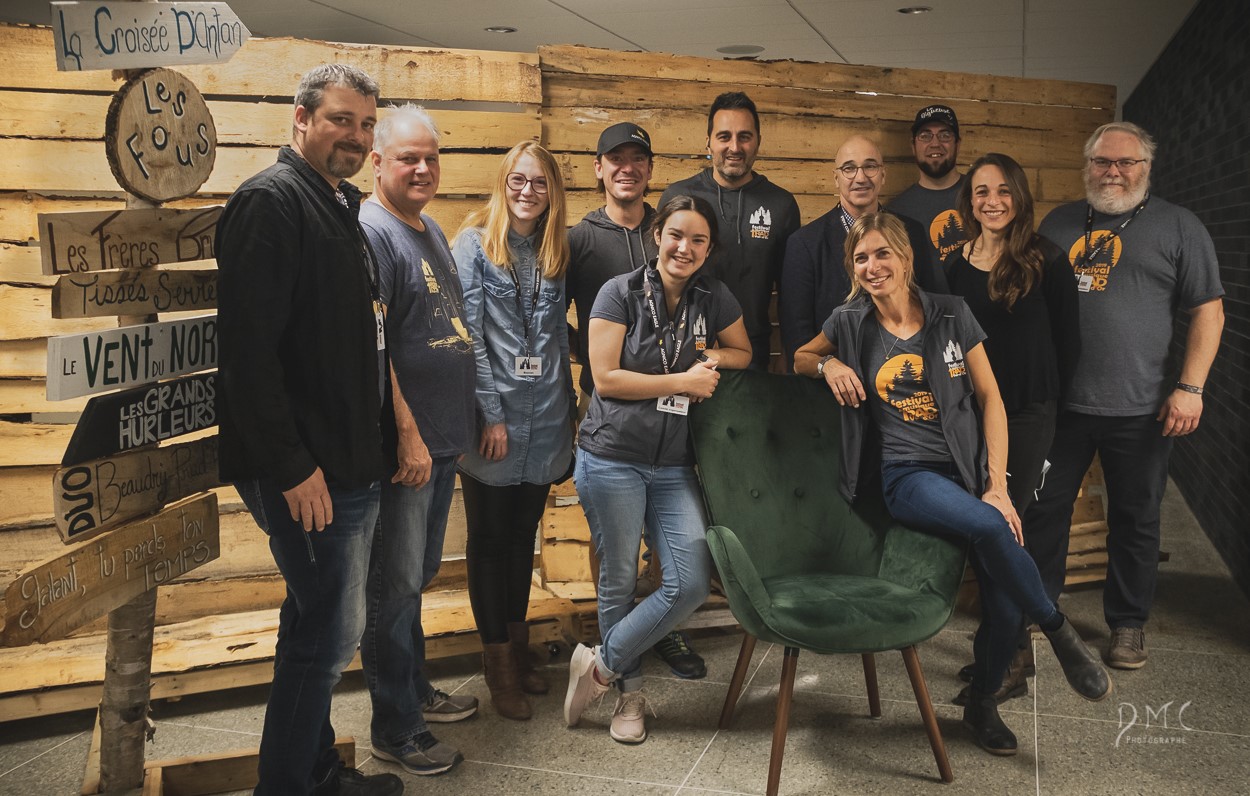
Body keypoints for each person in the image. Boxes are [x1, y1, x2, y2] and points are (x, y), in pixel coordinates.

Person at [793, 212, 1110, 757]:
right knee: (993, 528)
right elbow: (801, 355)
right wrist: (828, 369)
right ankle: (1059, 633)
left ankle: (982, 702)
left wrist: (997, 484)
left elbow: (991, 399)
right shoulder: (849, 321)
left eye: (881, 254)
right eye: (860, 258)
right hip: (906, 476)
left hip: (966, 472)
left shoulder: (951, 314)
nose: (872, 267)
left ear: (905, 257)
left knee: (1003, 580)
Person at [216, 64, 402, 795]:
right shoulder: (271, 203)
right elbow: (247, 355)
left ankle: (314, 770)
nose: (355, 137)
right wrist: (293, 466)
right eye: (340, 120)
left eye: (364, 124)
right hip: (308, 471)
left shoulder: (334, 204)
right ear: (300, 118)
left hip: (346, 461)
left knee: (312, 626)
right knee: (326, 638)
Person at [1025, 122, 1225, 669]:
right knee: (1044, 511)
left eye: (1126, 162)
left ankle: (1128, 624)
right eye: (1102, 162)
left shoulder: (1179, 227)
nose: (1114, 172)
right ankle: (1041, 612)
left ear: (1146, 168)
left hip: (1142, 409)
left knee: (1136, 519)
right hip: (1062, 406)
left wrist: (1190, 388)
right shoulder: (1059, 223)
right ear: (1087, 165)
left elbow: (1209, 311)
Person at [564, 195, 752, 744]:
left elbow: (743, 351)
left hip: (674, 466)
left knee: (691, 582)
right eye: (675, 234)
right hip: (612, 457)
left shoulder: (713, 297)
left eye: (697, 240)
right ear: (656, 236)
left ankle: (599, 666)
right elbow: (606, 379)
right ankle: (629, 695)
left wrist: (712, 359)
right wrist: (683, 382)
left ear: (709, 248)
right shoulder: (618, 291)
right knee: (619, 580)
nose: (684, 248)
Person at [358, 104, 478, 777]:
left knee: (418, 577)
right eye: (409, 157)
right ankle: (396, 727)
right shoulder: (371, 234)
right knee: (394, 587)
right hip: (408, 451)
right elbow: (376, 353)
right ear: (378, 160)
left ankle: (416, 690)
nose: (424, 168)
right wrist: (407, 435)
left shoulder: (427, 227)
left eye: (431, 156)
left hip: (441, 442)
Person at [566, 123, 706, 679]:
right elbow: (554, 313)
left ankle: (655, 628)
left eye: (638, 160)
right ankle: (620, 636)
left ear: (650, 170)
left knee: (664, 535)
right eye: (615, 159)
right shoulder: (580, 237)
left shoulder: (667, 232)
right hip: (607, 404)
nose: (627, 168)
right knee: (615, 539)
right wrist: (595, 363)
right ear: (598, 168)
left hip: (673, 411)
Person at [943, 152, 1081, 706]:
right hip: (969, 418)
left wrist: (1053, 415)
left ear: (1019, 197)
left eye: (1003, 190)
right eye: (981, 192)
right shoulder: (953, 264)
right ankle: (994, 649)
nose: (992, 201)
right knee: (983, 532)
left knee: (1004, 530)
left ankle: (1010, 659)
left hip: (1027, 414)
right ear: (968, 201)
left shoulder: (1047, 259)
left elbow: (1070, 346)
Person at [453, 141, 577, 720]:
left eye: (540, 183)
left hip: (547, 421)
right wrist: (491, 414)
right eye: (519, 180)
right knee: (489, 542)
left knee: (522, 542)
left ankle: (519, 650)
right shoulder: (474, 246)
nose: (528, 192)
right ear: (503, 182)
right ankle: (498, 667)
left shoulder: (557, 251)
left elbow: (554, 336)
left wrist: (571, 415)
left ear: (553, 192)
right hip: (494, 425)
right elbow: (469, 337)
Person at [660, 91, 800, 370]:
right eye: (724, 136)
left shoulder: (781, 205)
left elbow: (790, 292)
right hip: (683, 353)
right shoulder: (679, 196)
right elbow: (657, 280)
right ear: (709, 142)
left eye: (744, 137)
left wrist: (788, 351)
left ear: (757, 142)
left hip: (754, 354)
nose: (734, 147)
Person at [779, 135, 943, 367]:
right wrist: (826, 369)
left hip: (907, 375)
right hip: (836, 383)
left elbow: (932, 304)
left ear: (883, 175)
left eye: (870, 166)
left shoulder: (911, 233)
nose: (861, 177)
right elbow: (797, 334)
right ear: (836, 179)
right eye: (849, 168)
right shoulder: (805, 244)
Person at [887, 104, 969, 265]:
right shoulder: (895, 213)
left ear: (958, 144)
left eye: (945, 135)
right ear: (913, 145)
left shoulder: (983, 195)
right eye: (925, 136)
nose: (935, 143)